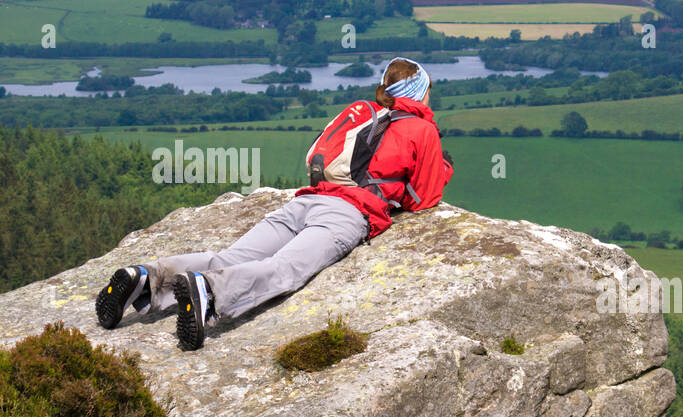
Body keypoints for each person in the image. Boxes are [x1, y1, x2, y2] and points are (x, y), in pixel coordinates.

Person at [95, 57, 453, 349]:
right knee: (285, 269)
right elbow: (425, 198)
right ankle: (211, 292)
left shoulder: (364, 114)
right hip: (346, 214)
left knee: (230, 257)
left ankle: (147, 278)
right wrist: (442, 164)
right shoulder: (421, 129)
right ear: (420, 93)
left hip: (305, 202)